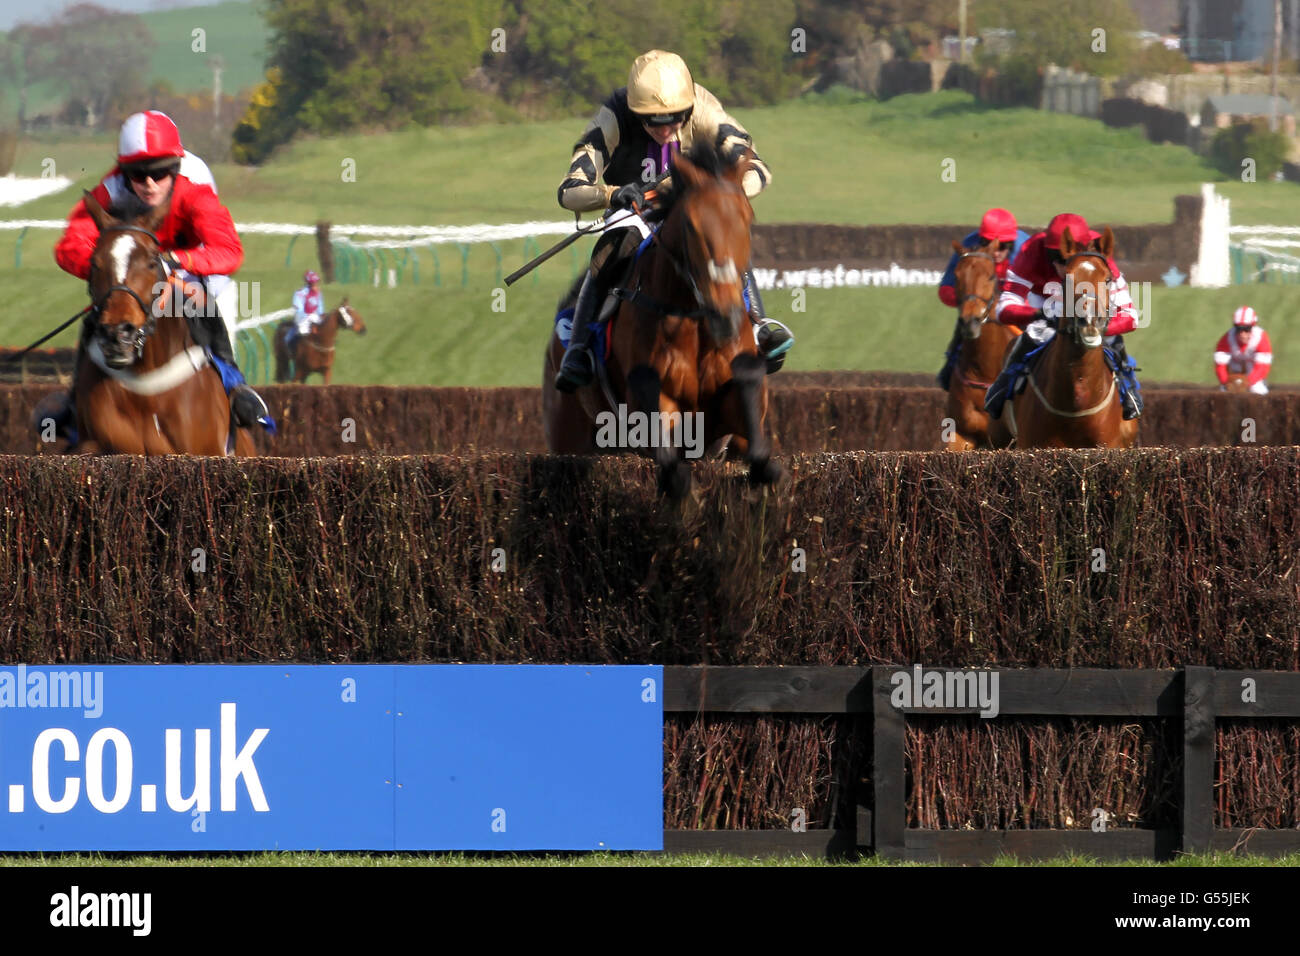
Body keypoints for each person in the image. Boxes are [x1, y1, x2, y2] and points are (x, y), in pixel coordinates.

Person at [552, 49, 792, 392]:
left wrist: (722, 193)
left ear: (688, 107)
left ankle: (758, 327)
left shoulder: (705, 108)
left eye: (676, 118)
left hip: (690, 208)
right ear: (636, 112)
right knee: (613, 248)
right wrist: (611, 194)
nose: (666, 129)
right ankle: (578, 350)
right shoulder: (614, 115)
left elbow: (758, 169)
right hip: (634, 211)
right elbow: (569, 190)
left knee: (721, 240)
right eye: (652, 121)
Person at [44, 110, 272, 439]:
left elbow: (229, 251)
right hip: (135, 274)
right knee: (100, 312)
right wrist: (107, 274)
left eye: (161, 173)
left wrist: (175, 264)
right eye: (138, 174)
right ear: (123, 171)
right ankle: (73, 403)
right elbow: (68, 246)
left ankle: (235, 388)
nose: (150, 184)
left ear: (175, 167)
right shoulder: (108, 191)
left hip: (196, 269)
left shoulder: (195, 190)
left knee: (202, 305)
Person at [985, 212, 1143, 420]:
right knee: (1035, 333)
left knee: (1112, 338)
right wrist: (1038, 314)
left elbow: (1131, 316)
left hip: (1087, 302)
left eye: (1066, 259)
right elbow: (1004, 309)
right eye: (1054, 258)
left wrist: (1102, 328)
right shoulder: (1031, 250)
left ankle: (1128, 388)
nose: (1060, 266)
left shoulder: (1100, 253)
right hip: (1045, 301)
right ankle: (1003, 384)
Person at [935, 207, 1031, 391]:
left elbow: (1040, 290)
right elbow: (946, 289)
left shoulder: (1025, 249)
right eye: (986, 242)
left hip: (1019, 303)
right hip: (981, 306)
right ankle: (951, 362)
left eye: (1002, 246)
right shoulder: (968, 245)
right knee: (966, 320)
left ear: (1012, 244)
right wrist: (970, 300)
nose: (995, 251)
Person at [1214, 306, 1272, 394]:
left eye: (1247, 329)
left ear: (1253, 326)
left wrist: (1247, 383)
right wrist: (1226, 382)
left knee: (1258, 390)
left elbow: (1262, 368)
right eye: (1239, 329)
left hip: (1253, 371)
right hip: (1233, 373)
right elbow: (1220, 366)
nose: (1242, 334)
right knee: (1223, 391)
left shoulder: (1261, 338)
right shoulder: (1226, 339)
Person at [287, 270, 326, 351]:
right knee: (303, 332)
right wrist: (308, 318)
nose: (315, 285)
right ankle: (295, 349)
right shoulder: (300, 293)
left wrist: (322, 315)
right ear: (308, 283)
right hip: (303, 317)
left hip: (314, 315)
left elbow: (320, 306)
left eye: (316, 282)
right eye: (313, 283)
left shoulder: (318, 292)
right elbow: (299, 309)